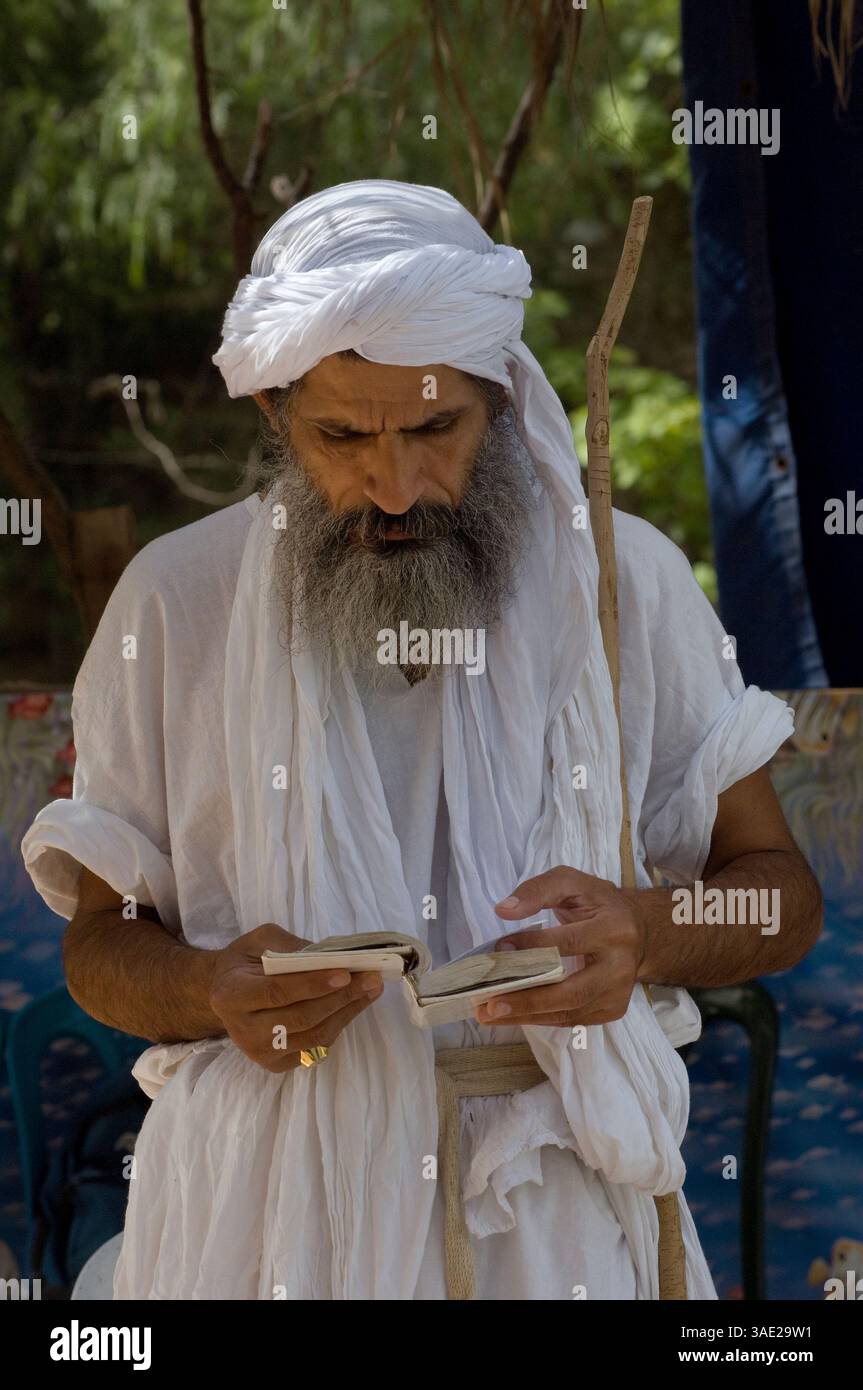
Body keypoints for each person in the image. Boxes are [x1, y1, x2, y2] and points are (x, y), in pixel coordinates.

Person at [22, 180, 822, 1300]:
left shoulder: (619, 581)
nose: (392, 485)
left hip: (555, 1221)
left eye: (434, 428)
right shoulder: (175, 603)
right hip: (264, 1225)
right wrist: (209, 990)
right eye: (341, 437)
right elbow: (100, 943)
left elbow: (778, 895)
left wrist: (647, 928)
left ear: (497, 402)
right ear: (273, 419)